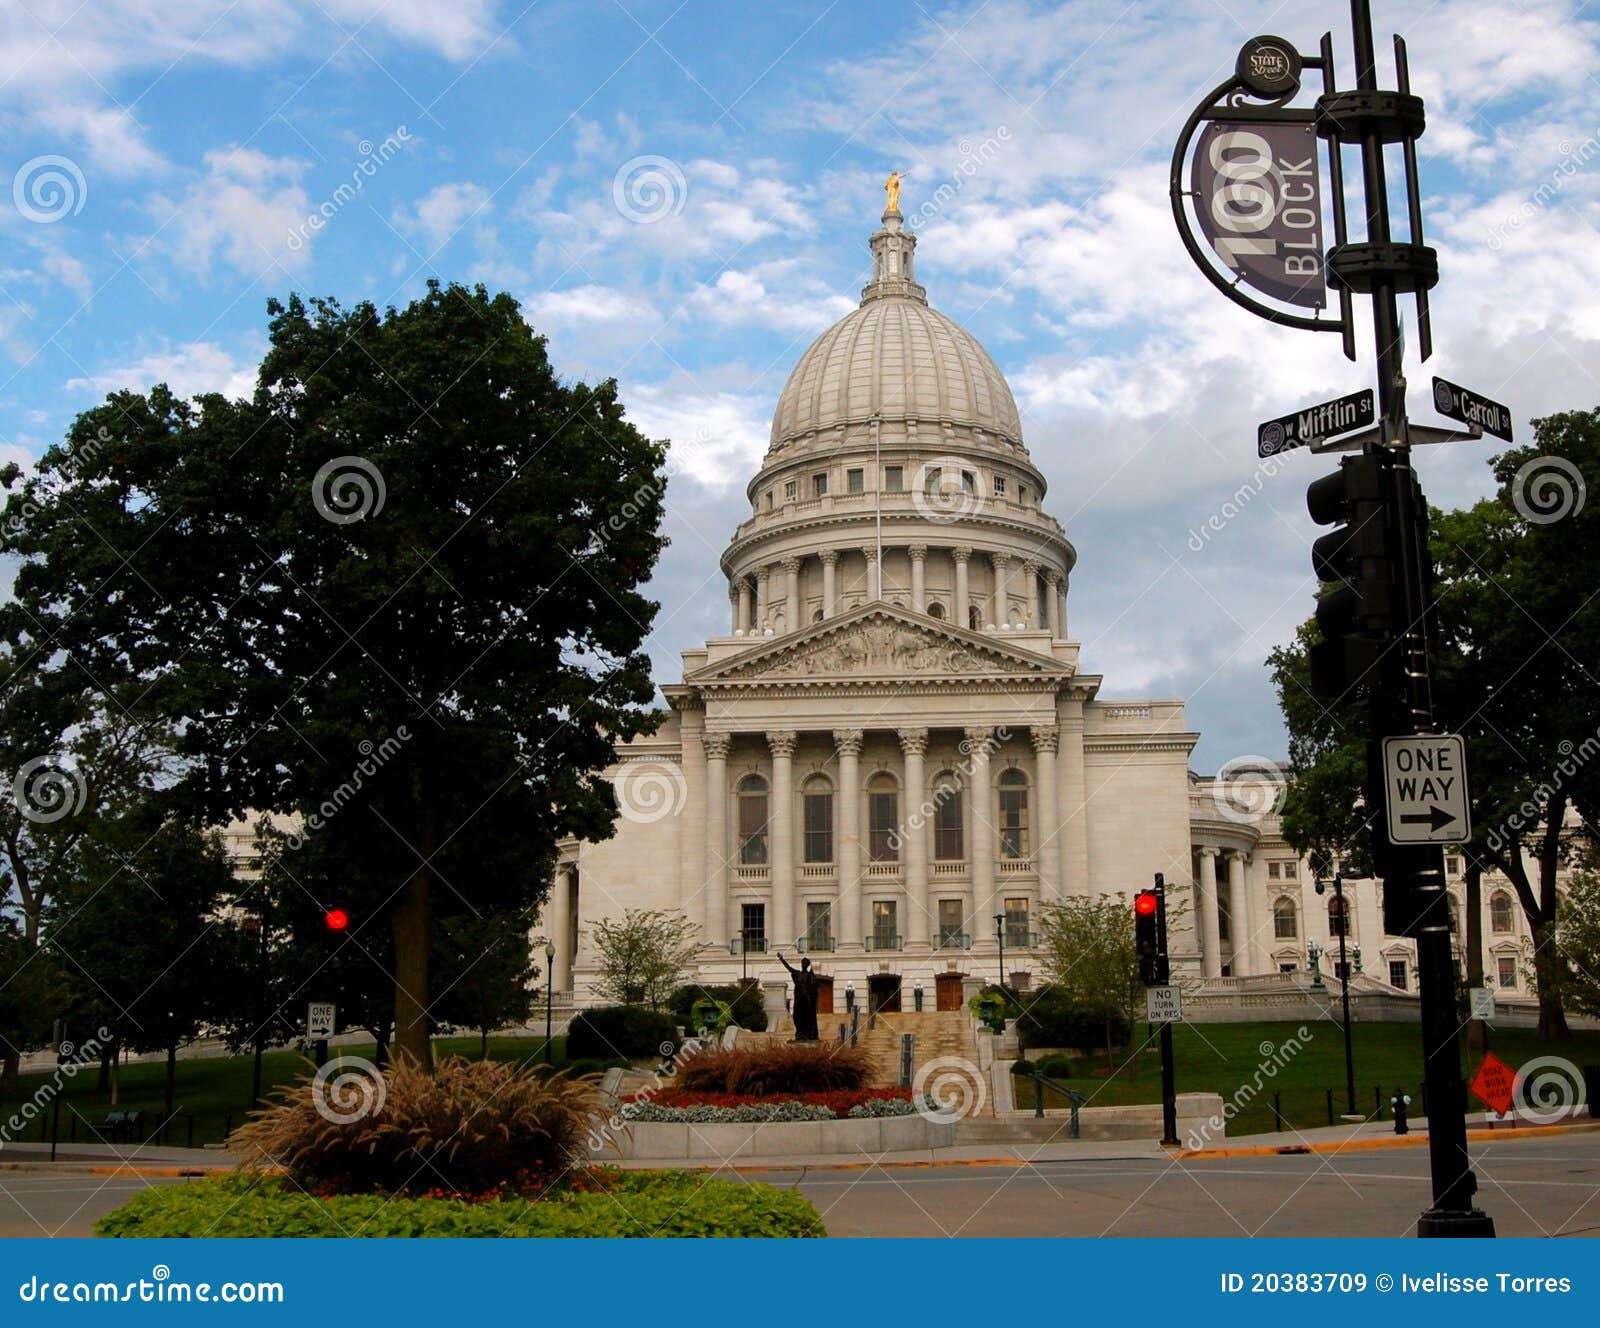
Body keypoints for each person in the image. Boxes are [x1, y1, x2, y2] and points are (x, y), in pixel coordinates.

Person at [778, 951, 819, 1041]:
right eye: (802, 963)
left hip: (807, 999)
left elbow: (816, 986)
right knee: (796, 1016)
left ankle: (807, 1034)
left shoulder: (810, 975)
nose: (803, 964)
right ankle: (800, 1033)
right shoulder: (797, 973)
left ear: (807, 965)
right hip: (799, 998)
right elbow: (788, 968)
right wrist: (781, 959)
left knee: (807, 1017)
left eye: (805, 963)